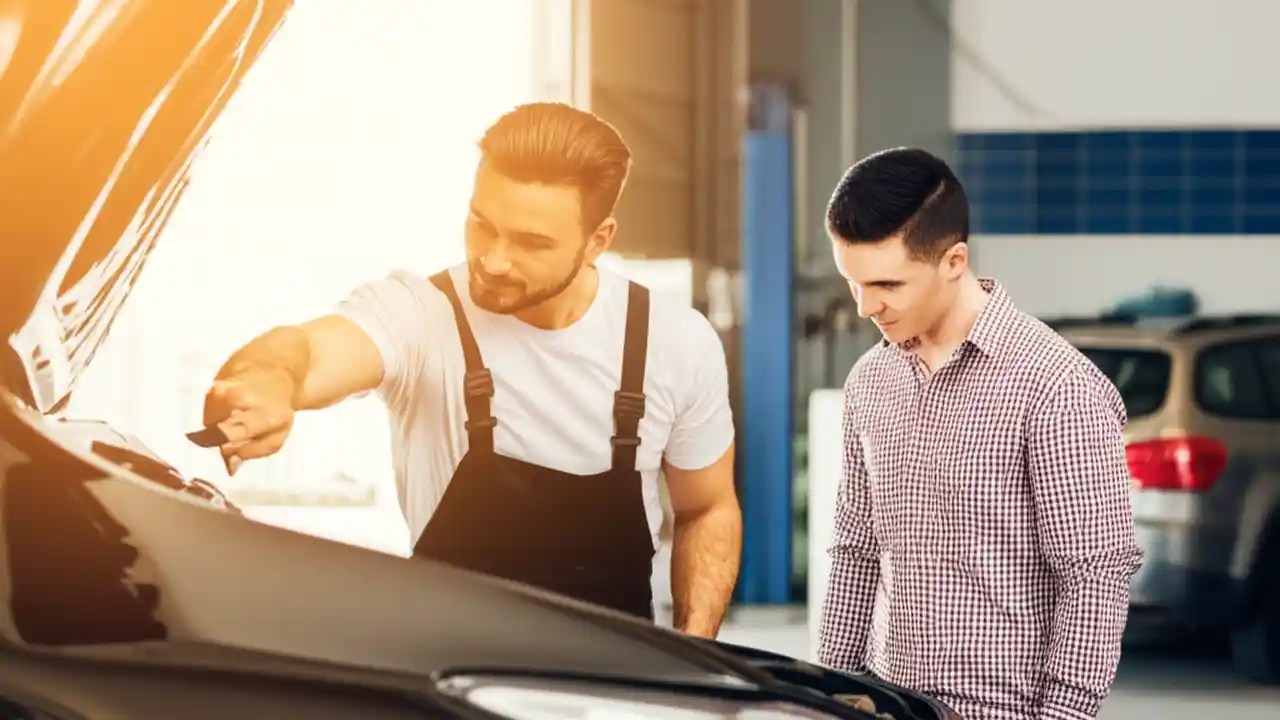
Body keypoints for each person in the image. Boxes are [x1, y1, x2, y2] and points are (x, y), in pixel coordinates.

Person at [199, 102, 742, 637]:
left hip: (610, 688)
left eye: (532, 242)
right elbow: (307, 349)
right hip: (450, 679)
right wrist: (268, 382)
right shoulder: (420, 315)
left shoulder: (672, 342)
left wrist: (693, 658)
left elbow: (706, 507)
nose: (494, 259)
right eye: (482, 225)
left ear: (598, 240)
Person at [815, 147, 1144, 720]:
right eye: (854, 283)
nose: (867, 307)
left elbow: (1096, 576)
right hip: (887, 705)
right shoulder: (870, 382)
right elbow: (856, 551)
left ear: (953, 260)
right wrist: (826, 698)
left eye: (887, 284)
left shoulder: (1056, 387)